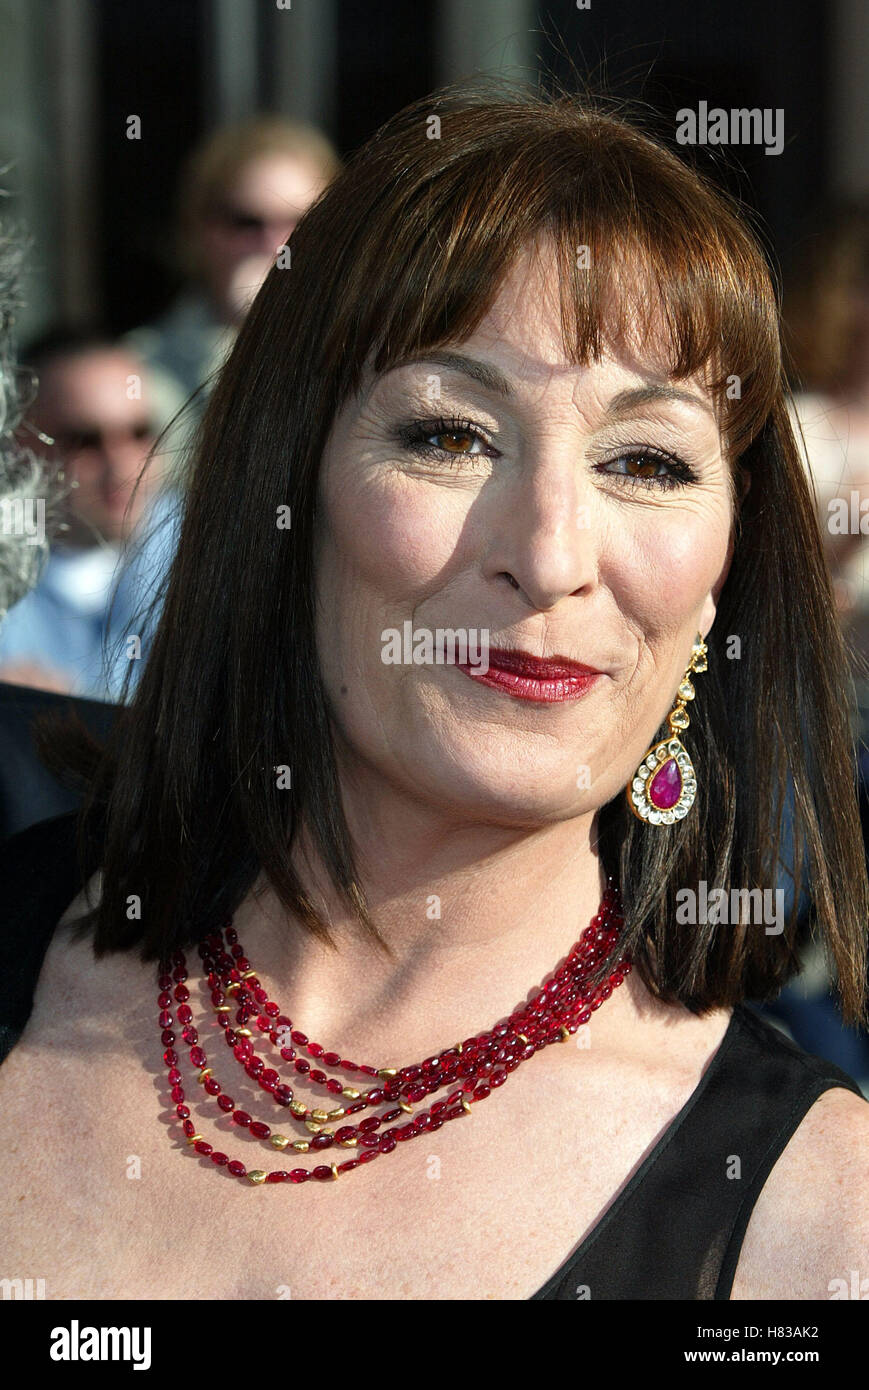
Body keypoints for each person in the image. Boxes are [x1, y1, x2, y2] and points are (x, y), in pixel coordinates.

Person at [0, 81, 867, 1302]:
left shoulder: (812, 1227)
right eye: (450, 435)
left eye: (645, 460)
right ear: (282, 497)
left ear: (717, 586)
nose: (552, 552)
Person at [0, 331, 182, 701]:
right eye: (85, 441)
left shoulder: (221, 554)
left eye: (139, 432)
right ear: (20, 446)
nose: (121, 464)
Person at [125, 115, 342, 416]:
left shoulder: (362, 350)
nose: (275, 244)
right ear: (200, 230)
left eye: (301, 221)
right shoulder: (137, 367)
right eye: (247, 222)